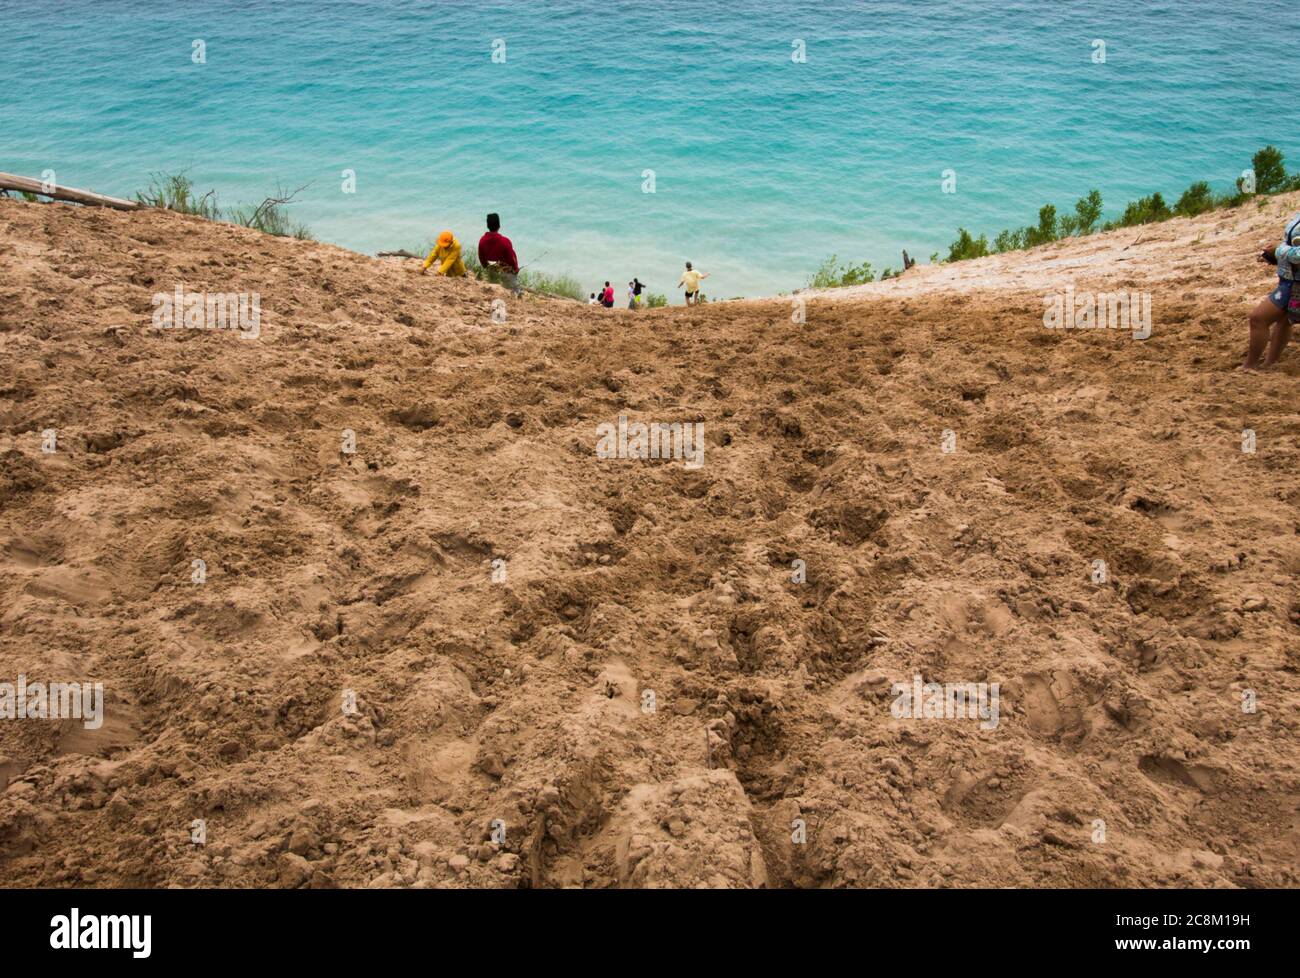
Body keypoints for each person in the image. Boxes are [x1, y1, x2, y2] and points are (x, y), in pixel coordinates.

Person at [1245, 210, 1300, 369]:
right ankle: (1270, 363)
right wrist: (1276, 255)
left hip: (1294, 283)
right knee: (1284, 321)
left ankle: (1249, 366)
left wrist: (1278, 251)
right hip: (1289, 279)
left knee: (1258, 318)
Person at [478, 212, 521, 295]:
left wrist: (486, 267)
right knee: (517, 290)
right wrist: (516, 269)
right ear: (499, 226)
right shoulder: (505, 241)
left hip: (491, 272)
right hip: (505, 273)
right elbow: (511, 258)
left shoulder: (482, 240)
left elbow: (481, 257)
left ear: (487, 226)